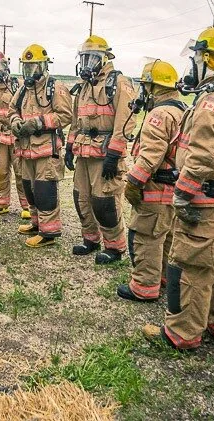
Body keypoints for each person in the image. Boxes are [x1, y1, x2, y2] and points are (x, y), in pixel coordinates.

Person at [142, 26, 214, 349]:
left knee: (193, 266)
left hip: (208, 202)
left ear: (208, 59)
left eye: (196, 58)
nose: (193, 65)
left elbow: (202, 156)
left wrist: (181, 194)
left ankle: (182, 332)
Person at [118, 59, 186, 302]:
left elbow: (150, 156)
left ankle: (144, 287)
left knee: (146, 237)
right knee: (166, 236)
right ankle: (163, 277)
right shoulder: (181, 110)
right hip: (173, 189)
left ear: (153, 87)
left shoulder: (159, 114)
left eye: (145, 87)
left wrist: (134, 183)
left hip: (155, 188)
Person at [66, 35, 136, 264]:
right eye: (84, 57)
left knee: (104, 201)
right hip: (83, 153)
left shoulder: (118, 82)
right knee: (82, 198)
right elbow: (77, 121)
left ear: (105, 59)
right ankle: (90, 239)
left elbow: (125, 121)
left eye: (92, 58)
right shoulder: (84, 86)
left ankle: (115, 246)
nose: (87, 62)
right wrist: (69, 146)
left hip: (105, 153)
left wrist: (114, 154)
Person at [9, 44, 73, 248]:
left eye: (34, 67)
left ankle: (49, 233)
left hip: (46, 150)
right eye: (27, 67)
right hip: (26, 151)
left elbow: (65, 115)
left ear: (44, 66)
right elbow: (12, 110)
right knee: (29, 189)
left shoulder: (56, 88)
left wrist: (39, 122)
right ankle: (37, 224)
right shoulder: (21, 90)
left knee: (45, 191)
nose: (30, 72)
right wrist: (15, 122)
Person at [0, 50, 31, 219]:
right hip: (0, 137)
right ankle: (1, 203)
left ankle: (27, 205)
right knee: (1, 171)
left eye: (1, 65)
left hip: (17, 135)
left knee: (21, 171)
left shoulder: (17, 86)